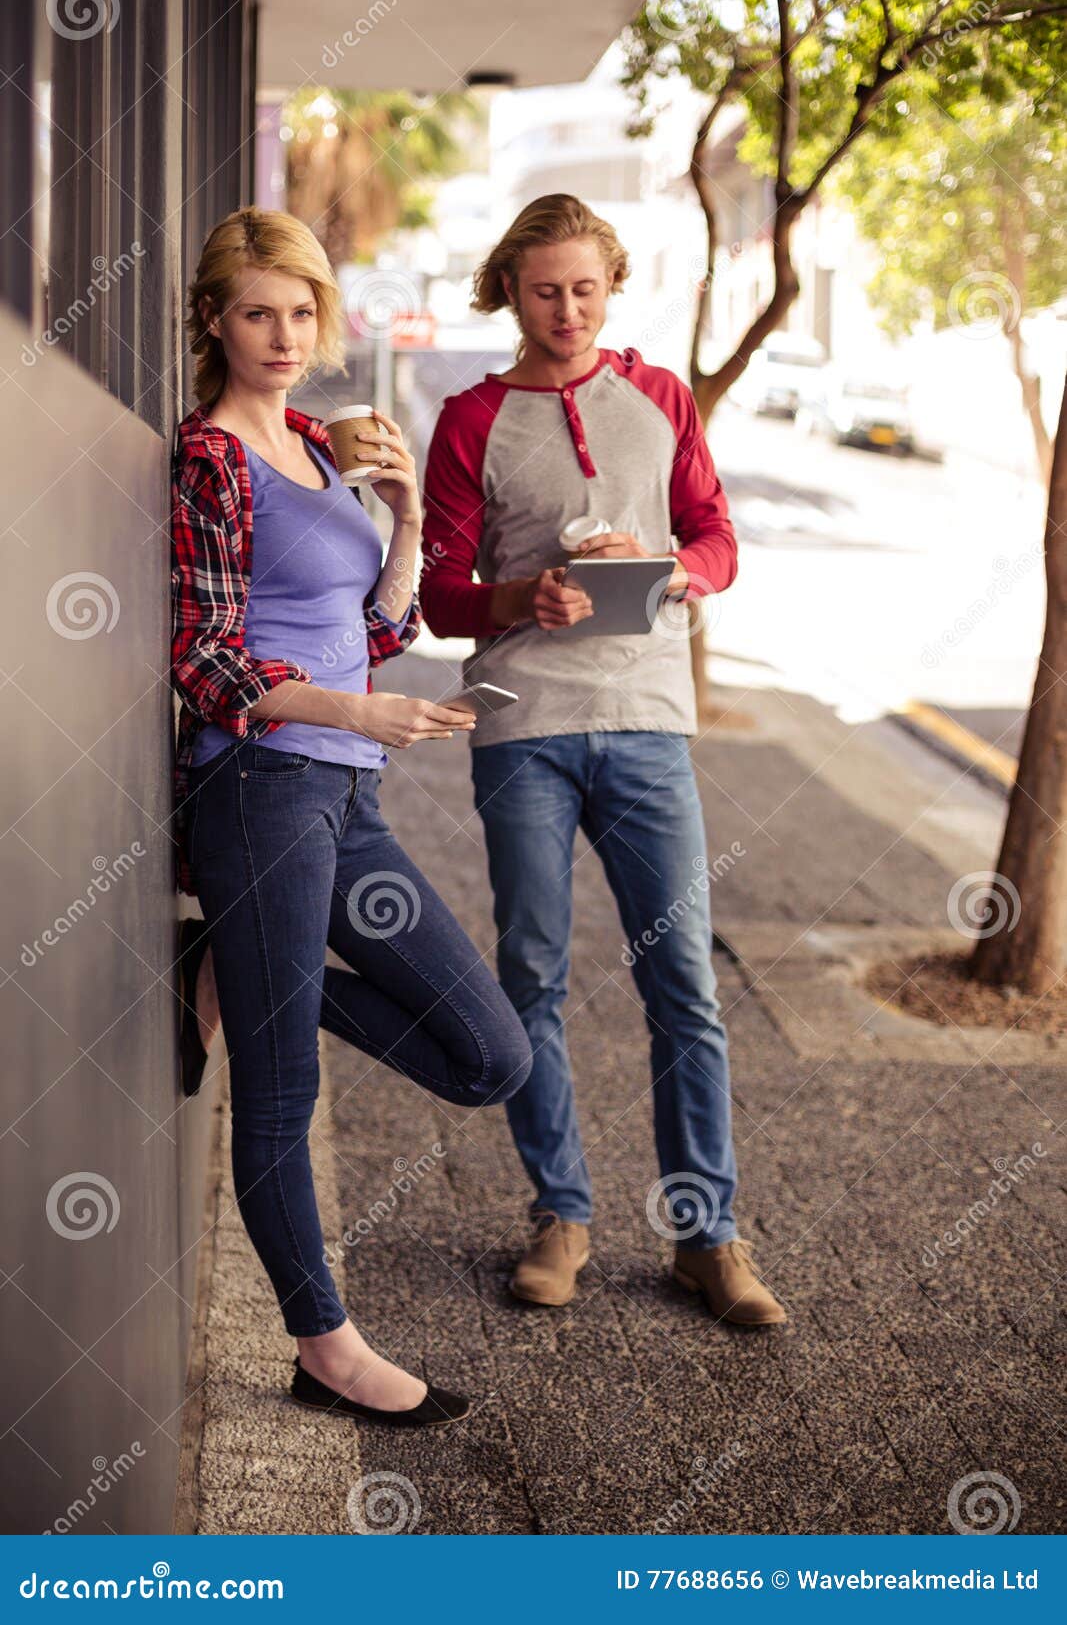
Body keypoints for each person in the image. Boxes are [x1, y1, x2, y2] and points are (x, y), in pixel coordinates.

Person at [171, 205, 534, 1427]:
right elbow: (206, 659)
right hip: (261, 782)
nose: (282, 333)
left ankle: (236, 953)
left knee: (489, 1054)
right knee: (279, 1093)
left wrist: (409, 517)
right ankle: (322, 1348)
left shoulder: (316, 447)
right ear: (215, 320)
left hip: (346, 791)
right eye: (257, 312)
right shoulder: (210, 457)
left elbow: (380, 629)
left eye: (300, 311)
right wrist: (351, 714)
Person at [419, 193, 786, 1327]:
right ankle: (559, 1214)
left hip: (645, 721)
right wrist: (518, 593)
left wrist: (675, 570)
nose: (566, 309)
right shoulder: (471, 419)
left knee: (681, 982)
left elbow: (717, 537)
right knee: (530, 973)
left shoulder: (660, 396)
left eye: (584, 287)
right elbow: (434, 591)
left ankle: (706, 1235)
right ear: (509, 290)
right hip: (523, 723)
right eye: (543, 290)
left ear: (611, 284)